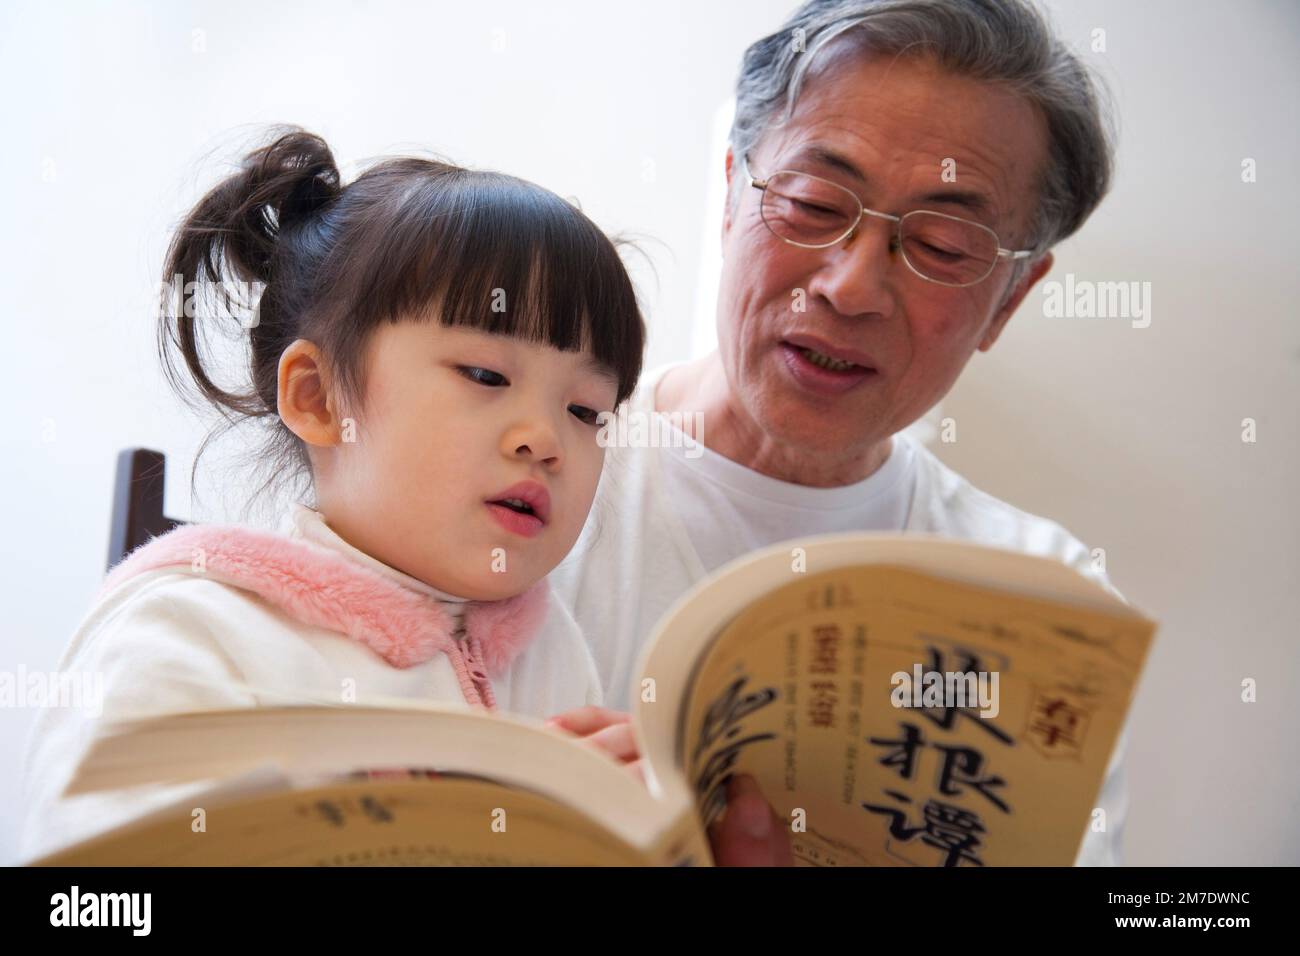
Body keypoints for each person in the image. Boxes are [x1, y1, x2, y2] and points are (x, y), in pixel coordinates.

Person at [548, 0, 1131, 866]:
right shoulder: (519, 489)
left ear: (1009, 299)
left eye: (941, 242)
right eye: (816, 203)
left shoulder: (1041, 608)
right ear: (730, 194)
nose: (850, 286)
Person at [19, 127, 647, 861]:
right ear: (318, 398)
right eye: (485, 376)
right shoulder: (189, 632)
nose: (544, 438)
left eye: (586, 412)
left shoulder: (550, 652)